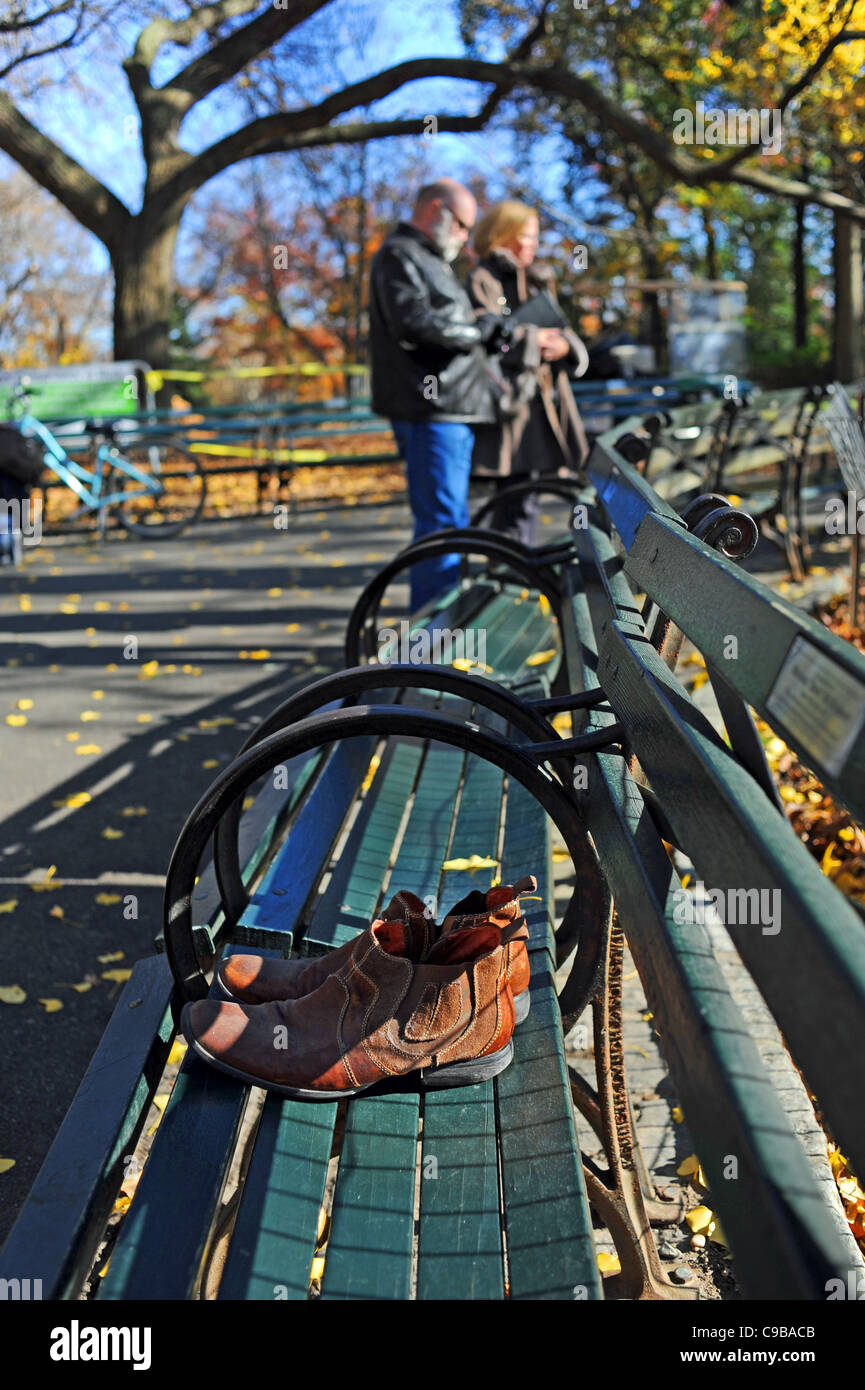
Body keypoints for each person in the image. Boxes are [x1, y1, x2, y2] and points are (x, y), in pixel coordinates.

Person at [368, 178, 510, 612]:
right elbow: (414, 323)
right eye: (464, 225)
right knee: (442, 526)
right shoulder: (400, 254)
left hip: (447, 409)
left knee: (449, 522)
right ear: (435, 210)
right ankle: (433, 642)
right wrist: (476, 331)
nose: (467, 237)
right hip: (431, 409)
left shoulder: (426, 258)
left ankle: (442, 627)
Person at [465, 200, 590, 546]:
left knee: (529, 498)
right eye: (526, 237)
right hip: (510, 408)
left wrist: (565, 347)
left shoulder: (537, 280)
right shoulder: (482, 279)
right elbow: (484, 337)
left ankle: (516, 577)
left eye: (535, 238)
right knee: (514, 500)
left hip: (545, 403)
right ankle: (508, 579)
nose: (532, 245)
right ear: (502, 236)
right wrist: (534, 340)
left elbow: (564, 332)